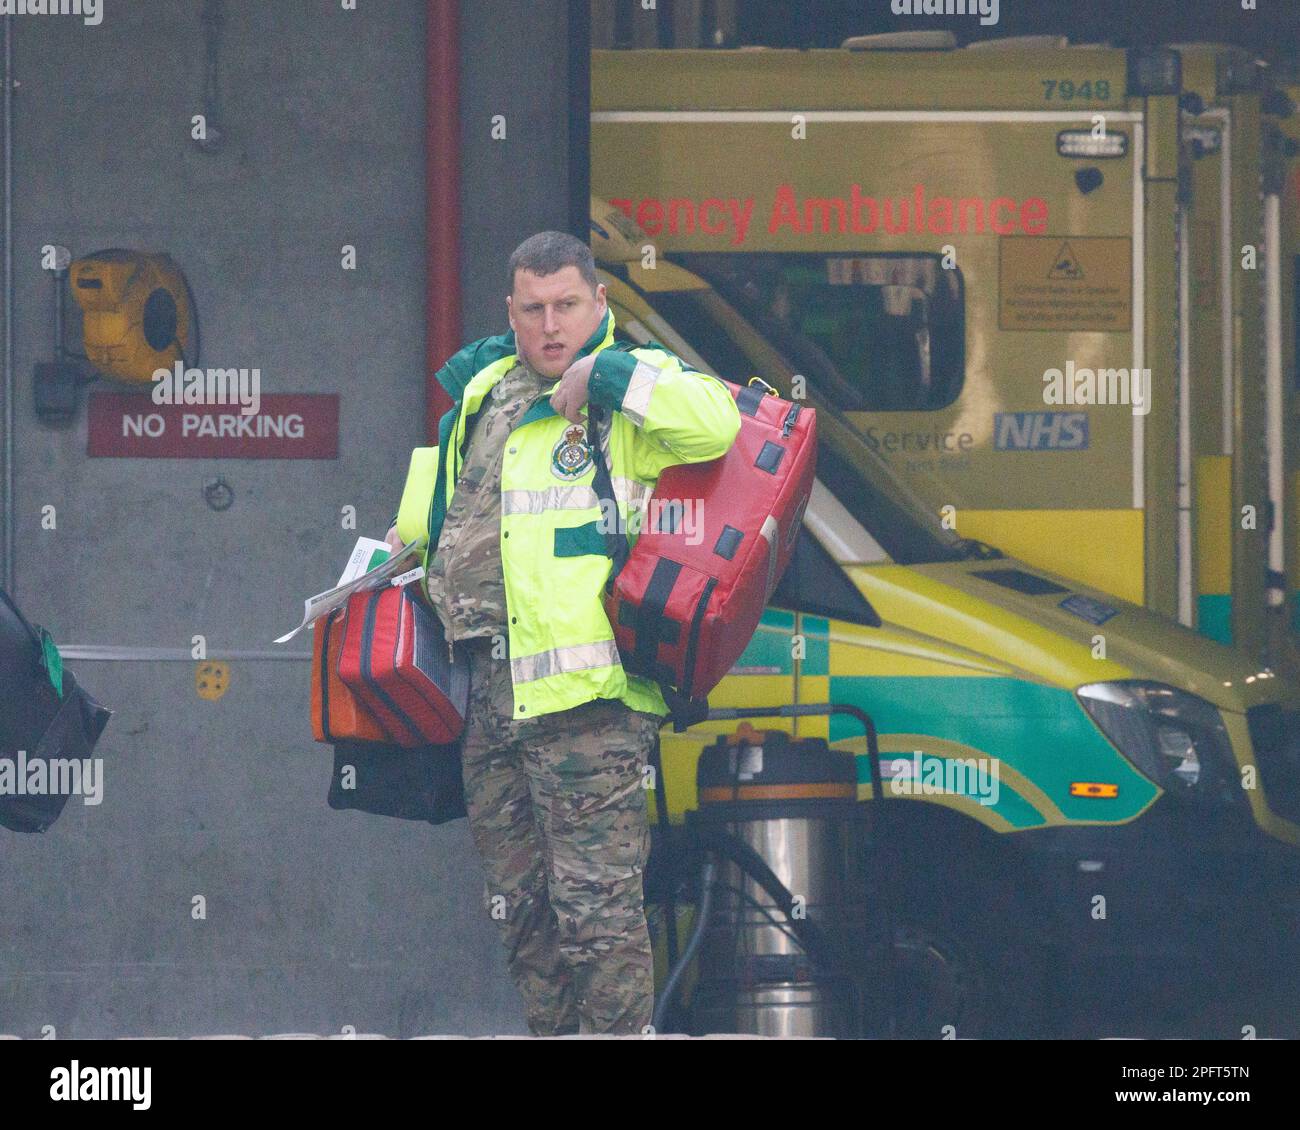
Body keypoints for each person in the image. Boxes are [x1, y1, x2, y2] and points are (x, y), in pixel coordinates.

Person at [387, 231, 740, 1035]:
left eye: (568, 307)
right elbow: (430, 522)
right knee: (523, 916)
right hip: (490, 695)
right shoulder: (485, 391)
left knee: (598, 916)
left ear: (599, 306)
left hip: (590, 703)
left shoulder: (632, 387)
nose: (552, 326)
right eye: (535, 309)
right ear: (510, 313)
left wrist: (606, 372)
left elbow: (716, 424)